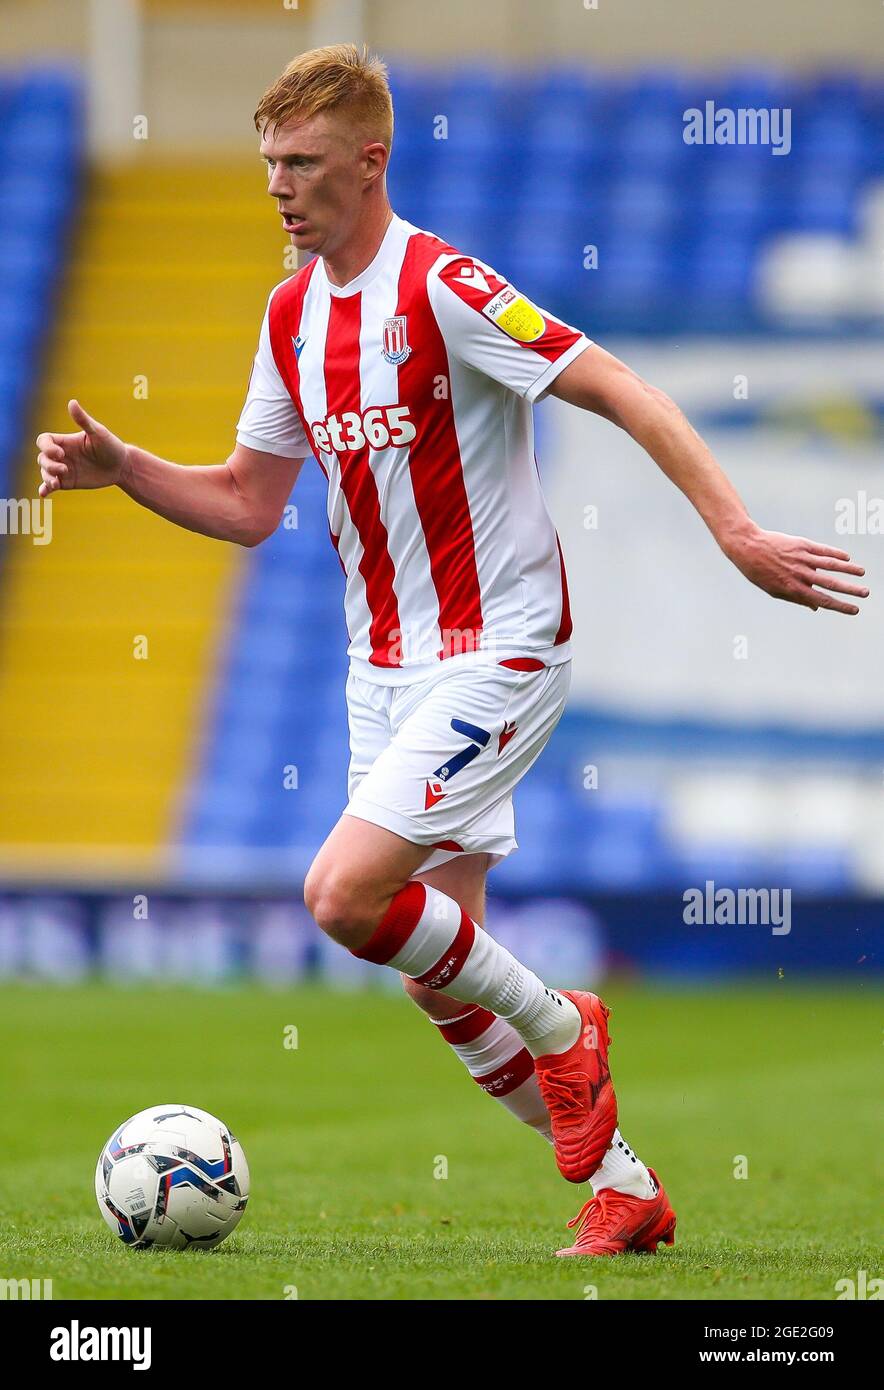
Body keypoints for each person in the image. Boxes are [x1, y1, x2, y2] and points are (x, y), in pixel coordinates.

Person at [36, 44, 869, 1257]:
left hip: (502, 648)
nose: (278, 185)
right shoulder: (287, 315)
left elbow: (620, 386)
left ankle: (565, 1025)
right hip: (381, 670)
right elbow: (246, 500)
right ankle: (625, 1186)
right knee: (436, 970)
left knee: (341, 894)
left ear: (368, 162)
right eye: (270, 162)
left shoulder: (447, 287)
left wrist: (732, 530)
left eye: (303, 163)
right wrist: (126, 474)